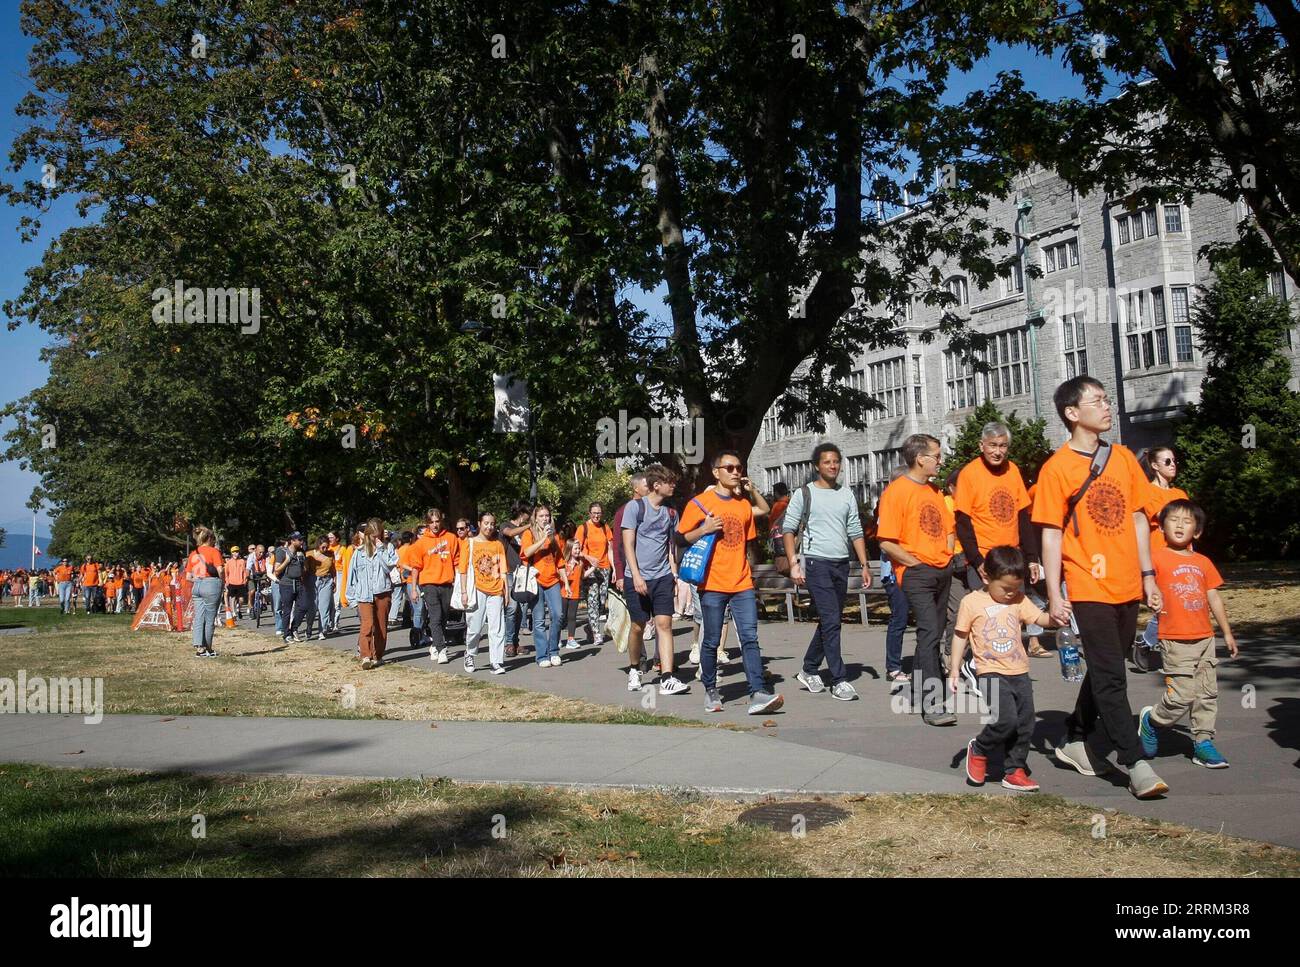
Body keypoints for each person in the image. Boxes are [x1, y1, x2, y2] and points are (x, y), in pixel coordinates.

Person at [1033, 375, 1169, 799]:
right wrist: (1055, 593)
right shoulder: (1057, 469)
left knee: (1105, 669)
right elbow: (1051, 534)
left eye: (1107, 399)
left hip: (1128, 582)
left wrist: (1148, 576)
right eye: (1097, 401)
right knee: (1114, 677)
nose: (1107, 406)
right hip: (1088, 585)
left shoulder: (1124, 458)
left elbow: (1138, 519)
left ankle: (1076, 738)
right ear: (1073, 413)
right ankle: (1134, 762)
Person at [949, 545, 1063, 792]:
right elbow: (960, 636)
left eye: (1016, 588)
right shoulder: (972, 602)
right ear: (986, 577)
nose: (1012, 594)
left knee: (1025, 722)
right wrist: (954, 669)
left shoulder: (1019, 600)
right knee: (1005, 719)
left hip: (1019, 672)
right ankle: (979, 749)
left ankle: (1014, 769)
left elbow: (1039, 619)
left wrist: (1054, 617)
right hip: (989, 671)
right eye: (1006, 589)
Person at [678, 451, 782, 715]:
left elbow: (748, 541)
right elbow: (679, 539)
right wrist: (704, 529)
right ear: (716, 472)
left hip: (742, 583)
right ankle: (711, 690)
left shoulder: (742, 505)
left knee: (750, 638)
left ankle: (757, 692)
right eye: (730, 468)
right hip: (712, 584)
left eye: (739, 467)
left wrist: (752, 489)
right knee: (711, 640)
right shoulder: (699, 503)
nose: (736, 472)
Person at [1138, 499, 1239, 769]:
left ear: (1197, 531)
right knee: (1182, 695)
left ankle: (1203, 742)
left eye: (1187, 521)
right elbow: (1145, 589)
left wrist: (1226, 633)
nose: (1180, 524)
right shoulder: (1155, 558)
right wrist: (1151, 598)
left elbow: (1214, 598)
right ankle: (1152, 720)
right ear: (1161, 527)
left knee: (1207, 694)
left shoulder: (1202, 562)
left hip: (1205, 637)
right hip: (1174, 638)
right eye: (1174, 519)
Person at [950, 422, 1049, 677]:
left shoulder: (1013, 471)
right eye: (992, 445)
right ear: (981, 446)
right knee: (985, 614)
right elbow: (963, 522)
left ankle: (1007, 666)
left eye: (1003, 446)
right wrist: (976, 559)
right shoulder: (970, 474)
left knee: (1011, 613)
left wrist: (1032, 559)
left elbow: (1023, 518)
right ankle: (977, 665)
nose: (998, 451)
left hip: (1011, 556)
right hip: (984, 555)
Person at [877, 434, 957, 726]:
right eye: (936, 455)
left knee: (934, 634)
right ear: (920, 458)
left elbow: (948, 527)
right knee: (928, 631)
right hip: (917, 573)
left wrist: (947, 553)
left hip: (941, 568)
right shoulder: (897, 492)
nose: (940, 460)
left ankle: (923, 693)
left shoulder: (934, 492)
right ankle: (932, 704)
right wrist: (914, 563)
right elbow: (886, 541)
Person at [783, 442, 870, 701]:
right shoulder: (805, 493)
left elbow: (855, 530)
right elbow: (788, 529)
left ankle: (809, 669)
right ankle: (839, 679)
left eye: (836, 461)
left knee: (830, 621)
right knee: (832, 620)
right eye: (827, 462)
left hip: (841, 563)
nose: (833, 466)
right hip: (816, 563)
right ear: (816, 466)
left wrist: (864, 565)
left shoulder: (846, 495)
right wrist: (793, 563)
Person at [622, 464, 689, 695]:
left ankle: (667, 677)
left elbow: (672, 546)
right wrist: (637, 576)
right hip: (636, 578)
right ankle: (634, 668)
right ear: (656, 485)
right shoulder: (635, 507)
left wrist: (674, 575)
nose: (673, 486)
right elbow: (627, 545)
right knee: (638, 627)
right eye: (669, 482)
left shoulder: (671, 512)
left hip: (662, 577)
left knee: (665, 624)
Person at [459, 512, 512, 674]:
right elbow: (463, 570)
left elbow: (502, 570)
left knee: (497, 628)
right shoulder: (470, 543)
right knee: (475, 628)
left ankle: (496, 662)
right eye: (486, 523)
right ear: (479, 523)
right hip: (477, 590)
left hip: (496, 590)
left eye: (492, 524)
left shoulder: (497, 545)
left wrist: (506, 592)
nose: (489, 527)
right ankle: (470, 652)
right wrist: (464, 592)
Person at [347, 518, 399, 669]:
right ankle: (365, 656)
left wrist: (381, 550)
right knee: (367, 625)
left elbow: (388, 568)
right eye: (373, 536)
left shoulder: (388, 548)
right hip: (364, 594)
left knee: (381, 627)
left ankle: (378, 655)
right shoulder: (359, 552)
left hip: (382, 592)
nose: (376, 539)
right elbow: (352, 576)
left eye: (379, 535)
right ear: (368, 534)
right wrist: (351, 598)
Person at [412, 509, 460, 664]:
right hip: (429, 584)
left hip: (447, 583)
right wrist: (414, 589)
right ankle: (441, 649)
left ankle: (434, 643)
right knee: (435, 616)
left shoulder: (451, 538)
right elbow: (415, 567)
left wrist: (460, 583)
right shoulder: (420, 543)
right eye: (431, 522)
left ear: (441, 521)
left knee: (444, 616)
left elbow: (457, 561)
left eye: (437, 521)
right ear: (427, 523)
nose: (434, 525)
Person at [521, 505, 566, 667]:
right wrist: (542, 540)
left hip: (553, 580)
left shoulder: (555, 536)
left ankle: (554, 650)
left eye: (547, 516)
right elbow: (526, 553)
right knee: (539, 620)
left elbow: (560, 562)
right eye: (541, 516)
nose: (545, 519)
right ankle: (542, 656)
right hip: (536, 581)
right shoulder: (529, 533)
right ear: (535, 518)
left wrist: (566, 582)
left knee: (558, 615)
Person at [576, 503, 614, 645]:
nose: (596, 516)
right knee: (592, 599)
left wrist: (614, 568)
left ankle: (590, 627)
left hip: (604, 568)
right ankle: (596, 632)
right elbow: (575, 550)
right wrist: (588, 557)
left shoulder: (605, 528)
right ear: (589, 513)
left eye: (599, 513)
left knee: (601, 602)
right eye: (594, 513)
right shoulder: (583, 528)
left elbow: (610, 549)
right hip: (589, 570)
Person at [186, 526, 225, 658]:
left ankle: (199, 648)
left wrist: (198, 580)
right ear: (209, 538)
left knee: (199, 617)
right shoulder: (214, 551)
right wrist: (222, 583)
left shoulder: (193, 553)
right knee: (209, 619)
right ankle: (208, 648)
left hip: (197, 585)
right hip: (211, 584)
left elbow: (188, 577)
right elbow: (220, 570)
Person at [499, 503, 531, 657]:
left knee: (520, 611)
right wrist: (529, 526)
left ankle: (515, 642)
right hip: (509, 572)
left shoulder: (526, 531)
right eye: (528, 514)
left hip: (522, 572)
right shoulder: (505, 525)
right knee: (511, 608)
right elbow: (510, 533)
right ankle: (508, 644)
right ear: (522, 513)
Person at [271, 532, 310, 641]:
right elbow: (277, 571)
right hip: (286, 584)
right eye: (299, 540)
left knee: (304, 606)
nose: (301, 542)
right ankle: (287, 634)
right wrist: (287, 560)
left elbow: (305, 569)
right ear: (292, 541)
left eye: (302, 539)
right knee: (287, 610)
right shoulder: (281, 552)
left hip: (299, 583)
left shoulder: (301, 552)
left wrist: (303, 564)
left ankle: (294, 628)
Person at [304, 535, 336, 639]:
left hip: (326, 581)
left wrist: (334, 582)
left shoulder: (331, 554)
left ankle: (321, 630)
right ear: (318, 545)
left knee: (324, 607)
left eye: (327, 547)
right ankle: (309, 626)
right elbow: (305, 571)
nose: (325, 549)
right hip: (313, 581)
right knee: (313, 608)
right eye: (323, 547)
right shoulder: (310, 555)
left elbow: (333, 569)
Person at [560, 528, 584, 651]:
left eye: (579, 548)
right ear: (569, 549)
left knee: (572, 617)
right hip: (564, 593)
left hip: (575, 594)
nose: (578, 550)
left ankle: (571, 639)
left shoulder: (580, 563)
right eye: (575, 548)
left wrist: (593, 568)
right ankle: (557, 638)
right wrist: (570, 567)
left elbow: (582, 576)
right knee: (562, 616)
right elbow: (562, 577)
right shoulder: (564, 563)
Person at [224, 546, 249, 619]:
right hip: (232, 582)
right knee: (232, 598)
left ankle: (238, 608)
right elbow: (226, 573)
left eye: (237, 552)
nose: (236, 553)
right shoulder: (228, 562)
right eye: (234, 552)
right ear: (231, 553)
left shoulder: (242, 561)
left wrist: (245, 580)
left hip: (241, 582)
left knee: (241, 599)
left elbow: (244, 571)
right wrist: (227, 581)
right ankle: (233, 612)